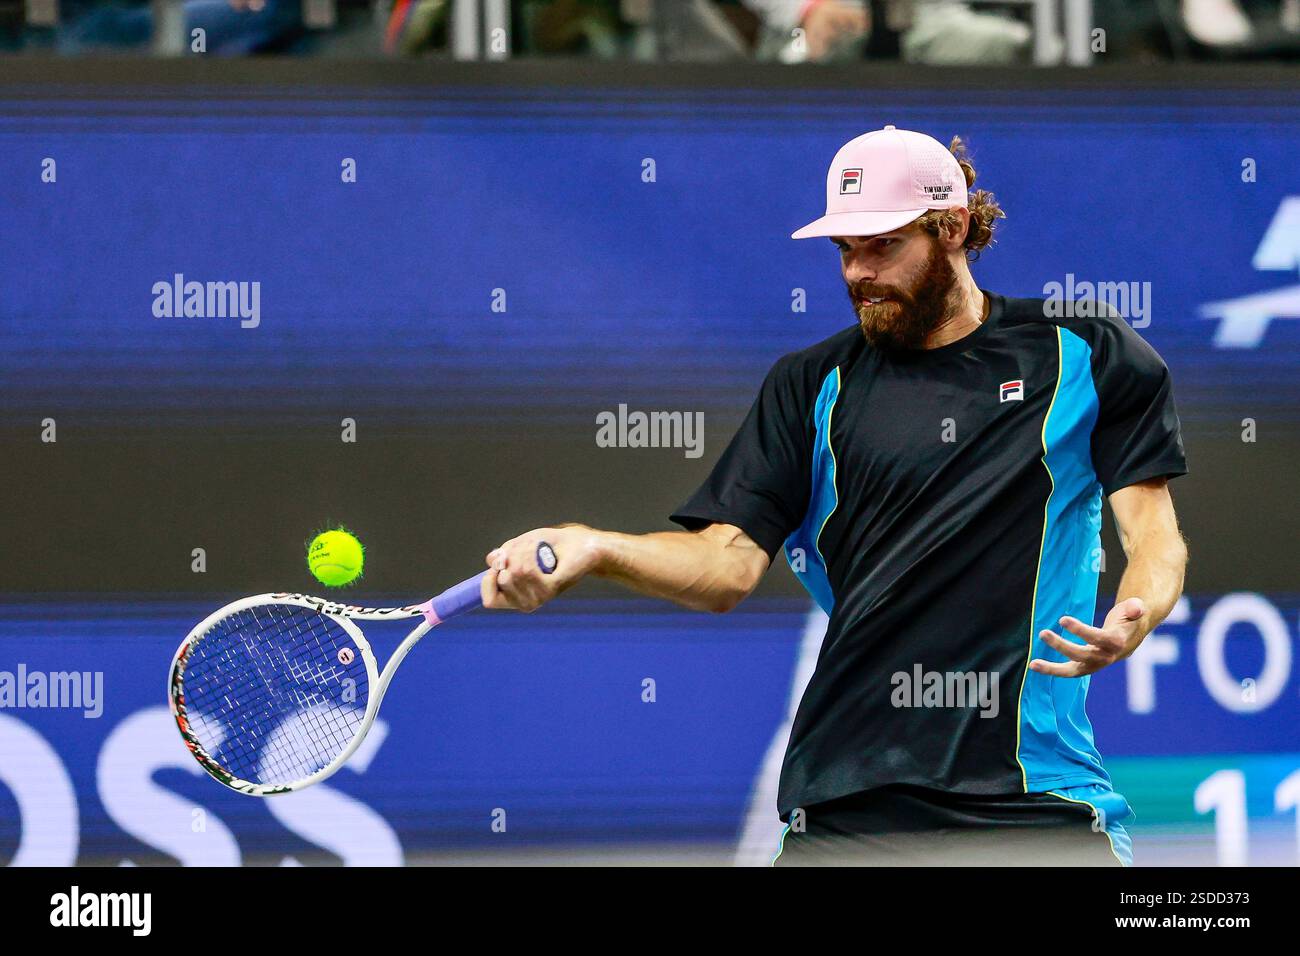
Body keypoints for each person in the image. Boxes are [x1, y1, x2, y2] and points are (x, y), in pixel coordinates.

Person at [482, 127, 1189, 866]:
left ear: (951, 228)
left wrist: (1138, 612)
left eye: (882, 245)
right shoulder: (809, 385)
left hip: (1032, 802)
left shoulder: (1084, 352)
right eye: (845, 250)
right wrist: (595, 547)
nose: (858, 272)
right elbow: (725, 567)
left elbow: (1153, 536)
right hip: (850, 802)